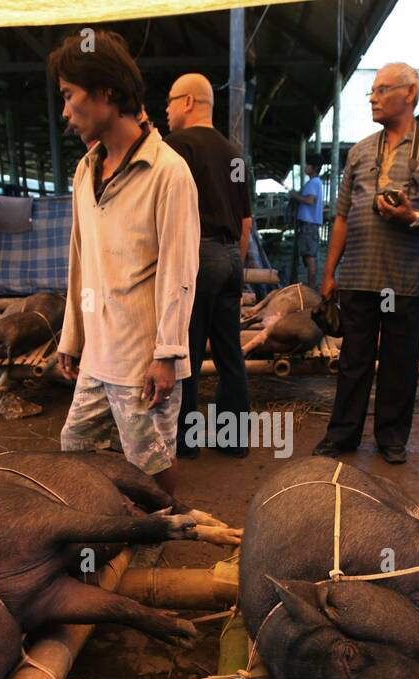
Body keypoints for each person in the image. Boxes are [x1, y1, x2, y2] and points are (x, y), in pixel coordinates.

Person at [49, 31, 199, 494]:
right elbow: (80, 259)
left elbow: (180, 272)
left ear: (106, 92)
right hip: (98, 350)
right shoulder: (85, 169)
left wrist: (167, 355)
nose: (65, 113)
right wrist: (72, 337)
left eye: (70, 96)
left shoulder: (168, 172)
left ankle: (163, 532)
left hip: (141, 356)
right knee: (74, 444)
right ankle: (109, 523)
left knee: (149, 459)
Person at [314, 62, 419, 465]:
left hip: (405, 279)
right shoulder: (361, 150)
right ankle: (342, 434)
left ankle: (392, 438)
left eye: (381, 90)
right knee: (353, 361)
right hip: (360, 275)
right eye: (372, 92)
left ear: (410, 93)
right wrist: (329, 273)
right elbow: (341, 216)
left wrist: (413, 217)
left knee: (399, 362)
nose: (372, 98)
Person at [164, 72, 253, 459]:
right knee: (230, 353)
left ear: (187, 102)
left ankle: (186, 441)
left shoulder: (176, 147)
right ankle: (233, 441)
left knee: (188, 352)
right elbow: (246, 220)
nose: (165, 110)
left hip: (196, 256)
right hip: (231, 254)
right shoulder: (234, 152)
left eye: (169, 101)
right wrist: (233, 260)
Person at [288, 162, 323, 285]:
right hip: (310, 223)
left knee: (309, 256)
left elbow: (310, 200)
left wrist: (295, 195)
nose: (305, 167)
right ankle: (311, 286)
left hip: (309, 223)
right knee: (309, 255)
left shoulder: (313, 183)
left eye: (308, 165)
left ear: (314, 168)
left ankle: (311, 288)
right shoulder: (315, 182)